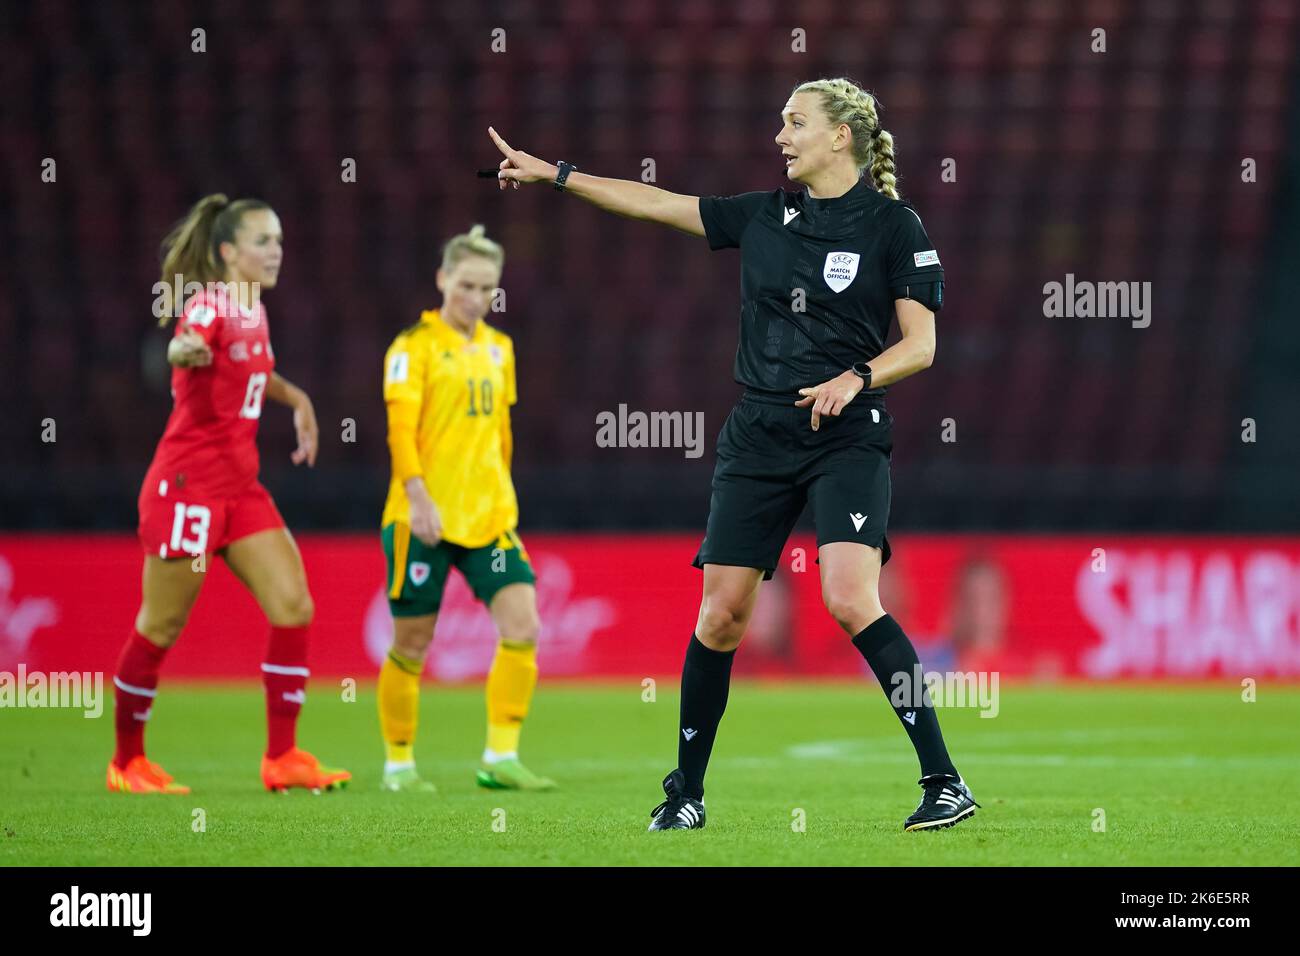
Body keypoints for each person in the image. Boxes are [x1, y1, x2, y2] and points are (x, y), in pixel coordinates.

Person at [488, 76, 979, 831]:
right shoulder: (761, 215)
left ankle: (944, 780)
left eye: (795, 122)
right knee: (720, 619)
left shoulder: (894, 227)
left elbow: (922, 346)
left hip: (845, 434)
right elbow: (654, 202)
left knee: (850, 598)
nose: (780, 135)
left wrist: (855, 378)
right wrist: (556, 174)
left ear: (840, 135)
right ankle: (685, 793)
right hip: (758, 434)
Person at [109, 194, 351, 794]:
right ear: (227, 252)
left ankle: (283, 757)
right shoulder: (211, 304)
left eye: (280, 241)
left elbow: (253, 371)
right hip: (186, 488)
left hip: (239, 489)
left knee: (293, 604)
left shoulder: (254, 311)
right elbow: (186, 341)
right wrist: (183, 349)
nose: (276, 252)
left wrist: (299, 401)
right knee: (160, 626)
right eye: (263, 241)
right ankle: (126, 762)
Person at [376, 224, 556, 793]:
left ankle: (500, 757)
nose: (475, 298)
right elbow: (400, 432)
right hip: (422, 521)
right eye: (466, 285)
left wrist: (504, 492)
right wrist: (418, 496)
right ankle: (398, 765)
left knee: (523, 623)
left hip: (488, 522)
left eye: (486, 288)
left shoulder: (500, 349)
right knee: (411, 643)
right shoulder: (412, 348)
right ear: (442, 279)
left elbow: (501, 431)